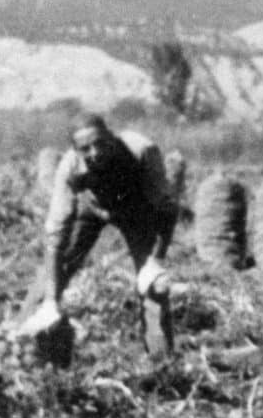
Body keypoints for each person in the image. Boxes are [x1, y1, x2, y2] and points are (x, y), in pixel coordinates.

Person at [14, 114, 179, 356]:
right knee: (55, 272)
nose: (95, 152)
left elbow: (167, 209)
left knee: (153, 285)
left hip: (136, 210)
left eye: (100, 143)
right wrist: (50, 301)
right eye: (85, 149)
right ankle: (21, 344)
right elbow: (55, 235)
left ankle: (161, 361)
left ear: (111, 137)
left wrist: (156, 260)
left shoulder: (141, 150)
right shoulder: (70, 167)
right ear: (76, 151)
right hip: (91, 208)